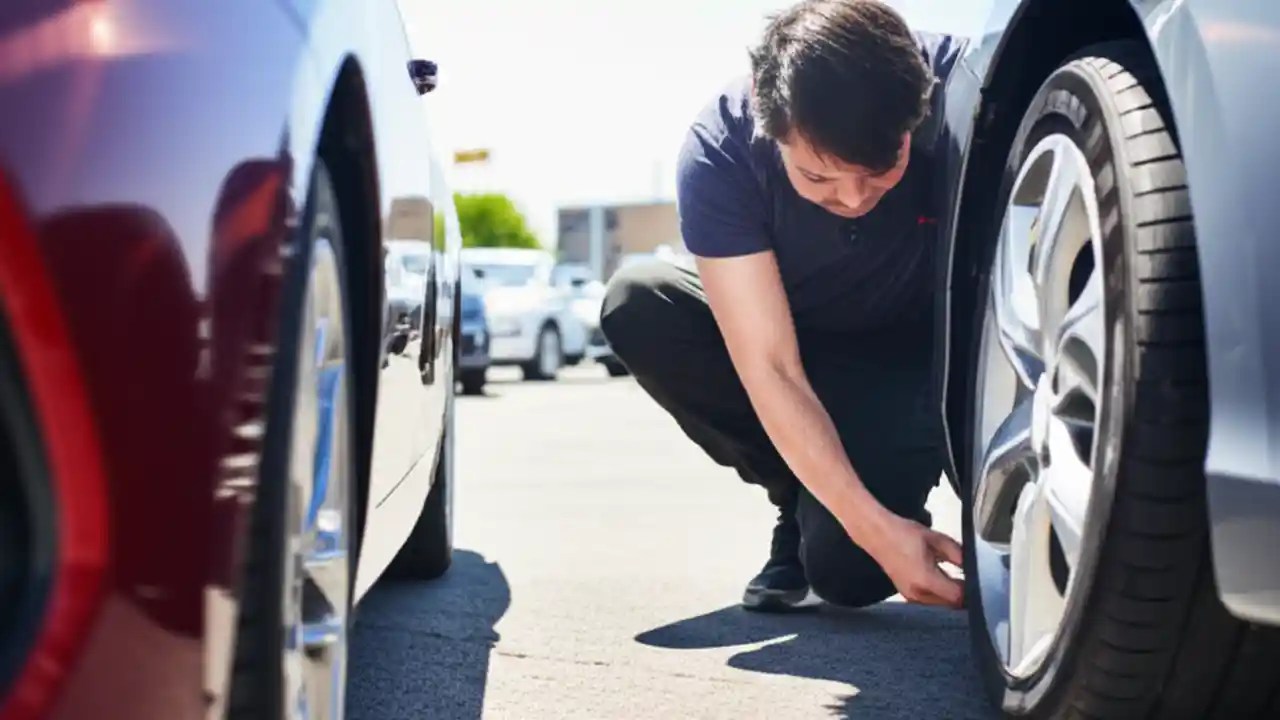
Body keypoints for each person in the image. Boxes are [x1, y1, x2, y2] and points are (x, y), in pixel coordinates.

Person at [600, 0, 968, 612]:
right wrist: (873, 526)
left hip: (914, 350)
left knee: (849, 579)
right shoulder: (722, 149)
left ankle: (859, 485)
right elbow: (770, 364)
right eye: (818, 178)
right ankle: (794, 496)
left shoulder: (967, 91)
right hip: (791, 341)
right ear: (772, 134)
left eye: (881, 170)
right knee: (640, 299)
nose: (853, 198)